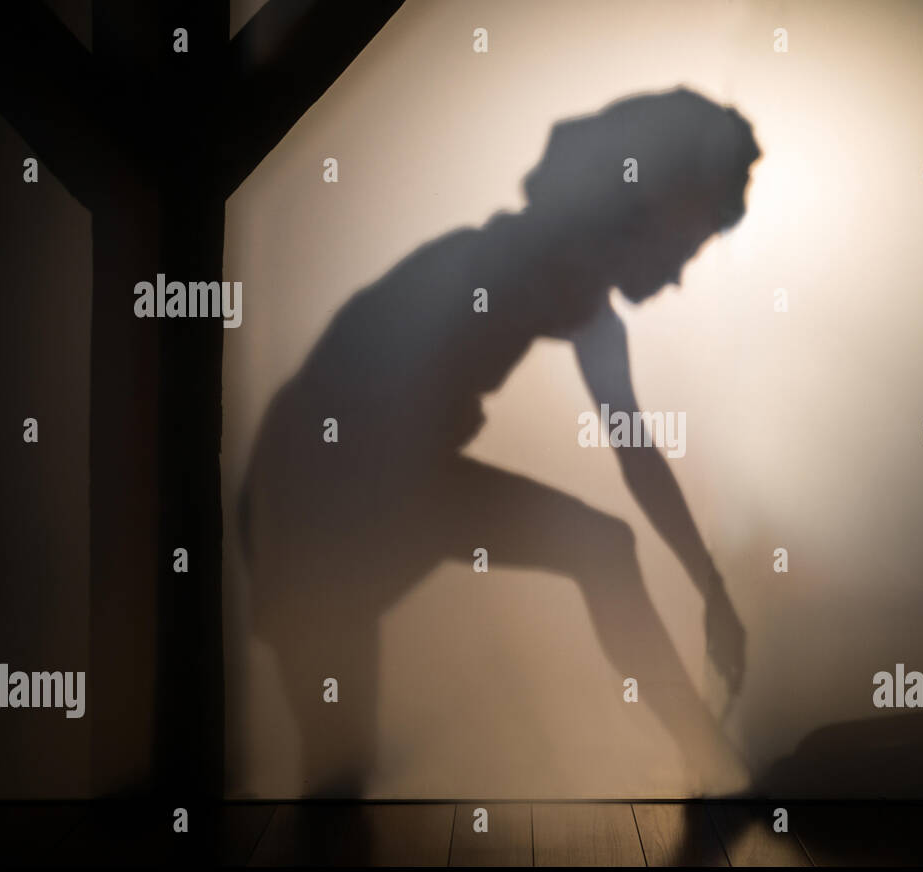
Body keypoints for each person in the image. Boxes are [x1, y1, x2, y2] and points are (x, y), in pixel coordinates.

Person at [238, 87, 761, 797]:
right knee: (338, 778)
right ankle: (712, 768)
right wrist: (713, 594)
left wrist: (712, 591)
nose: (675, 277)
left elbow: (635, 451)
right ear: (648, 208)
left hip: (314, 487)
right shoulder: (524, 271)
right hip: (318, 490)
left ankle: (709, 767)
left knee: (339, 779)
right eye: (686, 246)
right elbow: (629, 453)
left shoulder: (561, 288)